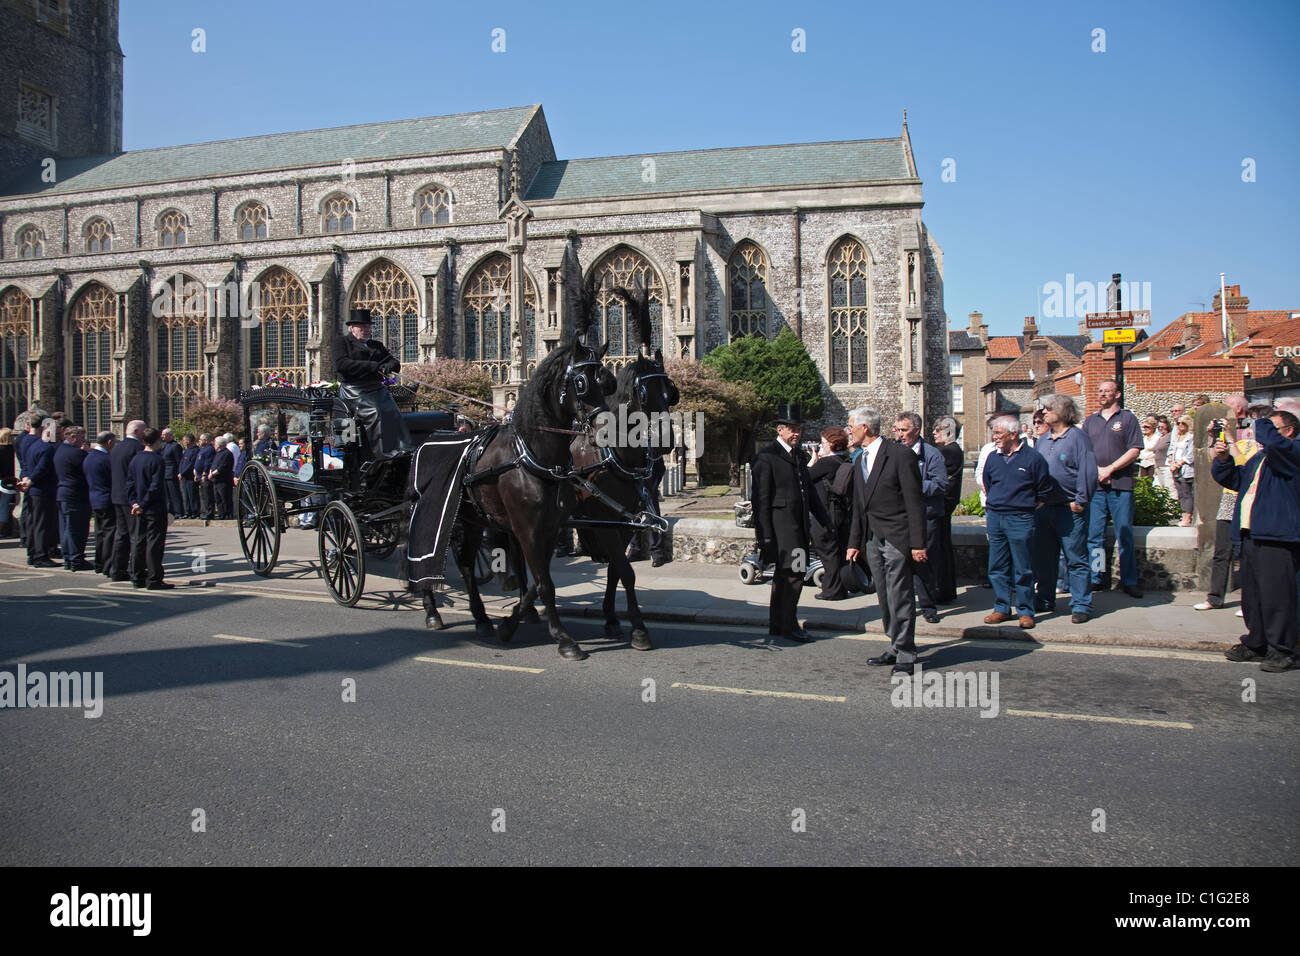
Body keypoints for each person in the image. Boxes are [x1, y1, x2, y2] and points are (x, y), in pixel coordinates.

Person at [1211, 408, 1300, 672]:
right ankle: (1257, 642)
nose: (1265, 434)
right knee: (1253, 595)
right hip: (1251, 533)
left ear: (1289, 432)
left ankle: (1281, 650)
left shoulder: (1292, 453)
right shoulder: (1261, 458)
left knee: (1277, 597)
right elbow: (1235, 479)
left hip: (1277, 535)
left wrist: (1257, 416)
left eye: (1274, 428)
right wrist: (1224, 459)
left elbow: (1271, 440)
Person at [845, 405, 926, 675]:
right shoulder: (859, 460)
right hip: (872, 539)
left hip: (897, 536)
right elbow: (859, 506)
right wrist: (854, 542)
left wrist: (917, 543)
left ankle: (907, 653)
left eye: (851, 426)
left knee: (900, 594)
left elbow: (915, 502)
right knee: (883, 594)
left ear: (864, 428)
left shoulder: (900, 455)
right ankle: (894, 644)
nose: (849, 431)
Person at [751, 404, 830, 643]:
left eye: (799, 428)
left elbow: (809, 492)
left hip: (798, 528)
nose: (797, 433)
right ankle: (788, 625)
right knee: (792, 576)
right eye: (792, 429)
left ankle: (780, 624)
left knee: (788, 577)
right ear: (780, 429)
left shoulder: (798, 455)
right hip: (782, 531)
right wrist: (764, 537)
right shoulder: (767, 457)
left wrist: (825, 520)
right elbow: (760, 501)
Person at [1031, 395, 1098, 624]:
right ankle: (1045, 599)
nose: (1044, 412)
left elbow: (1088, 471)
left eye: (1048, 409)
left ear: (1063, 411)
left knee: (1076, 558)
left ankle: (1081, 604)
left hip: (1068, 508)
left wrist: (1080, 501)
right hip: (1044, 508)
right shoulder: (1043, 440)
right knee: (1045, 559)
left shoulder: (1078, 438)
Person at [982, 415, 1053, 629]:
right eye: (993, 433)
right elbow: (988, 483)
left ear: (1013, 434)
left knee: (1023, 568)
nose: (994, 437)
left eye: (998, 433)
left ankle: (1025, 610)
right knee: (997, 566)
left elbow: (1044, 491)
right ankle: (1002, 608)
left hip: (1020, 518)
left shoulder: (1033, 458)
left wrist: (1026, 509)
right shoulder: (993, 458)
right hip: (995, 517)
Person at [1084, 380, 1144, 598]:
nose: (1102, 394)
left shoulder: (1127, 419)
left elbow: (1135, 449)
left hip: (1121, 486)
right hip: (1097, 488)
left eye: (1106, 391)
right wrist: (1098, 471)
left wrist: (1110, 469)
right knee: (1095, 536)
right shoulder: (1091, 421)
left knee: (1125, 535)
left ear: (1117, 394)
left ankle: (1129, 580)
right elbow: (1084, 451)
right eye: (1099, 391)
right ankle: (1096, 577)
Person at [333, 308, 413, 461]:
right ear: (352, 328)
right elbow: (342, 364)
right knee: (376, 412)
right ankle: (384, 452)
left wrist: (390, 366)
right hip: (354, 389)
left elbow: (393, 362)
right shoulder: (342, 342)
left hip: (376, 388)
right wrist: (373, 366)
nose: (366, 330)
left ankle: (404, 448)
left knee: (393, 410)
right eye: (362, 328)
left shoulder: (376, 345)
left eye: (368, 327)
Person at [893, 411, 947, 624]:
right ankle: (905, 605)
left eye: (904, 430)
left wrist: (912, 487)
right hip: (902, 516)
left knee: (923, 562)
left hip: (926, 516)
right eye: (897, 430)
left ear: (916, 430)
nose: (900, 434)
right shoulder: (896, 452)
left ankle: (928, 606)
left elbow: (941, 484)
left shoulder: (932, 454)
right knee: (901, 563)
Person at [127, 427, 174, 590]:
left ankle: (137, 576)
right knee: (154, 544)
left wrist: (134, 503)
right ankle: (154, 578)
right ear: (156, 441)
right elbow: (155, 487)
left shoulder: (136, 459)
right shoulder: (157, 460)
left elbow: (130, 484)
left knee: (139, 542)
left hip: (138, 508)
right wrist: (142, 504)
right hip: (153, 508)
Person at [808, 426, 851, 601]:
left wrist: (813, 460)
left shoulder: (826, 463)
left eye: (824, 442)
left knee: (827, 552)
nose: (821, 445)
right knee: (837, 552)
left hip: (825, 515)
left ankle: (831, 589)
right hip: (840, 513)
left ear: (833, 444)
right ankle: (839, 587)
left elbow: (804, 477)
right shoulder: (844, 460)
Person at [17, 416, 60, 567]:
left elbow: (26, 466)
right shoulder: (47, 448)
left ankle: (33, 553)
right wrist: (31, 480)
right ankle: (41, 556)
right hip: (42, 490)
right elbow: (42, 468)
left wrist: (26, 479)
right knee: (42, 524)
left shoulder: (33, 445)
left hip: (33, 489)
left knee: (34, 523)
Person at [932, 416, 964, 604]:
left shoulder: (947, 451)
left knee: (940, 549)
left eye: (938, 430)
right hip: (943, 505)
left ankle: (942, 590)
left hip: (942, 505)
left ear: (949, 432)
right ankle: (945, 590)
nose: (934, 433)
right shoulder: (949, 451)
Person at [109, 420, 145, 581]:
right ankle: (135, 570)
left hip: (117, 496)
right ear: (137, 432)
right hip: (131, 499)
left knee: (121, 534)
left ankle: (117, 569)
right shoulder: (137, 449)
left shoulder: (116, 448)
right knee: (135, 536)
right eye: (143, 431)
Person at [54, 424, 92, 571]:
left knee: (66, 528)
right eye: (82, 437)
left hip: (63, 493)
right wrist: (87, 453)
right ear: (73, 437)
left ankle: (68, 558)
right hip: (76, 495)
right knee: (77, 529)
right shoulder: (77, 454)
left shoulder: (60, 451)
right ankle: (76, 559)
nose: (84, 440)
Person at [84, 431, 116, 575]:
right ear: (109, 442)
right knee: (109, 534)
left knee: (100, 533)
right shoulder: (106, 459)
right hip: (107, 499)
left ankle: (99, 563)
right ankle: (107, 564)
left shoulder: (89, 457)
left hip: (94, 498)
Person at [1169, 415, 1195, 525]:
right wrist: (1171, 462)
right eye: (1178, 423)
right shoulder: (1177, 437)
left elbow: (1191, 455)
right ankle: (1183, 515)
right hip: (1175, 467)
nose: (1180, 425)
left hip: (1185, 468)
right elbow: (1171, 450)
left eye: (1183, 423)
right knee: (1180, 493)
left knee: (1186, 493)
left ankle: (1187, 517)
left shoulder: (1191, 437)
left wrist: (1179, 464)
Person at [160, 428, 183, 517]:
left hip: (172, 473)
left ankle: (178, 511)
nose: (162, 436)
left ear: (170, 435)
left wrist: (179, 472)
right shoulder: (164, 445)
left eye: (164, 434)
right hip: (165, 473)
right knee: (167, 495)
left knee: (174, 493)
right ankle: (170, 511)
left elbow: (179, 461)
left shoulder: (175, 446)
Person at [209, 435, 234, 519]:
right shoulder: (217, 454)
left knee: (225, 499)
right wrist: (211, 473)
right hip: (216, 480)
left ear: (219, 445)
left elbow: (222, 467)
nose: (214, 445)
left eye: (215, 444)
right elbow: (213, 465)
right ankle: (221, 514)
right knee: (218, 499)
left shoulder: (227, 454)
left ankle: (228, 514)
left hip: (224, 480)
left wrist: (212, 474)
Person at [194, 433, 214, 520]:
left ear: (206, 441)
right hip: (199, 475)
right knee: (204, 495)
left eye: (201, 440)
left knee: (207, 495)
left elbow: (208, 462)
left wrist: (204, 473)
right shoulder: (202, 449)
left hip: (204, 476)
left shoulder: (209, 449)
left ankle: (209, 513)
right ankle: (206, 511)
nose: (199, 441)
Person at [178, 433, 198, 518]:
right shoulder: (187, 450)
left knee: (192, 495)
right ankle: (187, 511)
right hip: (184, 476)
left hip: (190, 476)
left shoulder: (195, 450)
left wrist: (183, 473)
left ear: (188, 441)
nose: (183, 442)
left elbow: (190, 464)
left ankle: (194, 512)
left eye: (184, 440)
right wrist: (180, 472)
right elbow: (182, 462)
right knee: (186, 495)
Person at [0, 427, 15, 538]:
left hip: (1, 480)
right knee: (5, 505)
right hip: (11, 481)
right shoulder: (14, 450)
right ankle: (4, 528)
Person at [1153, 415, 1173, 489]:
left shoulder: (1170, 436)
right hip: (1159, 466)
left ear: (1167, 426)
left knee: (1169, 488)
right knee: (1162, 488)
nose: (1160, 429)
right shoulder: (1160, 438)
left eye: (1162, 427)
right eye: (1159, 427)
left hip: (1166, 467)